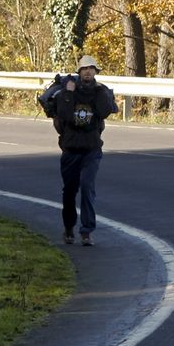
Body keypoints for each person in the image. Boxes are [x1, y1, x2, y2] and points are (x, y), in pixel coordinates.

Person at [55, 56, 117, 246]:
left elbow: (106, 111)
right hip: (71, 149)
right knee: (69, 191)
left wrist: (100, 93)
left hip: (91, 149)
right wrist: (69, 94)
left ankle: (86, 231)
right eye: (84, 69)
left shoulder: (100, 91)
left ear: (96, 72)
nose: (88, 72)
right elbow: (63, 114)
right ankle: (68, 229)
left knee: (87, 187)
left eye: (91, 69)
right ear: (79, 72)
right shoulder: (68, 91)